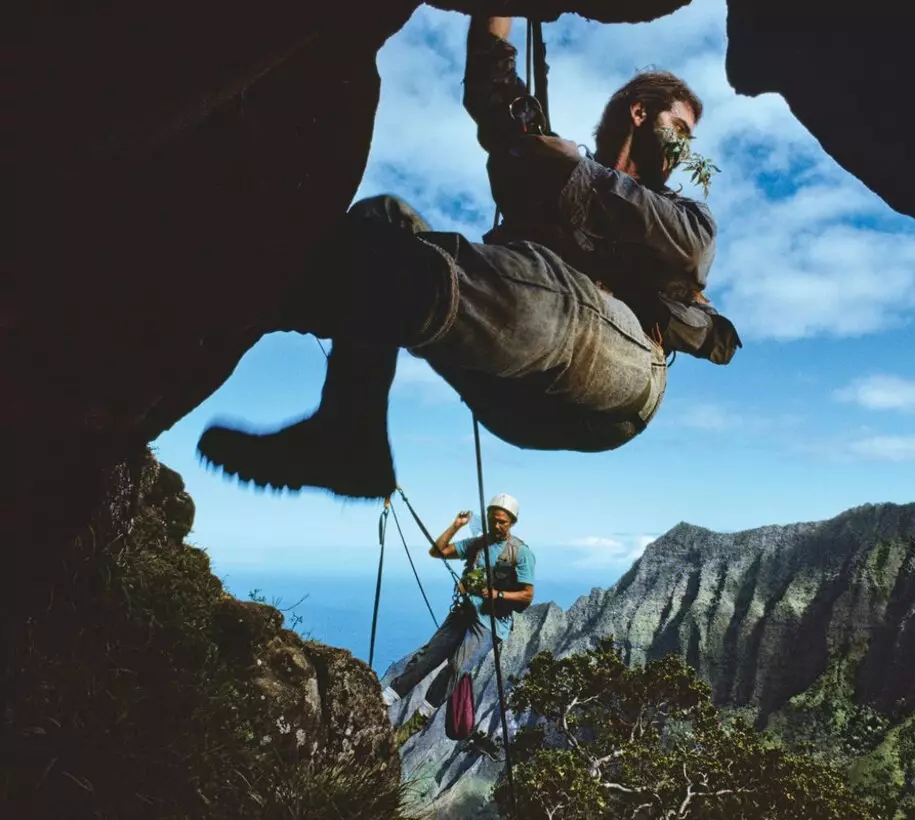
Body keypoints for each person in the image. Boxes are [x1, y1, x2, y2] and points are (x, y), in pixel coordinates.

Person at [196, 14, 741, 499]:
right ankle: (349, 432)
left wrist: (576, 171)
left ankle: (265, 276)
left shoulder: (683, 214)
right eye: (681, 129)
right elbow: (491, 89)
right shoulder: (547, 163)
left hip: (620, 382)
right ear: (641, 113)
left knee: (557, 292)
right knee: (383, 218)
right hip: (512, 385)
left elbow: (691, 248)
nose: (685, 148)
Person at [382, 493, 535, 715]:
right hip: (465, 611)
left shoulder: (521, 553)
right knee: (429, 655)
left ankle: (424, 713)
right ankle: (388, 697)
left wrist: (497, 595)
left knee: (457, 666)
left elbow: (527, 595)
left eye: (502, 521)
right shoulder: (477, 544)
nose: (497, 525)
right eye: (493, 519)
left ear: (512, 522)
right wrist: (456, 525)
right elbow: (438, 551)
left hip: (489, 623)